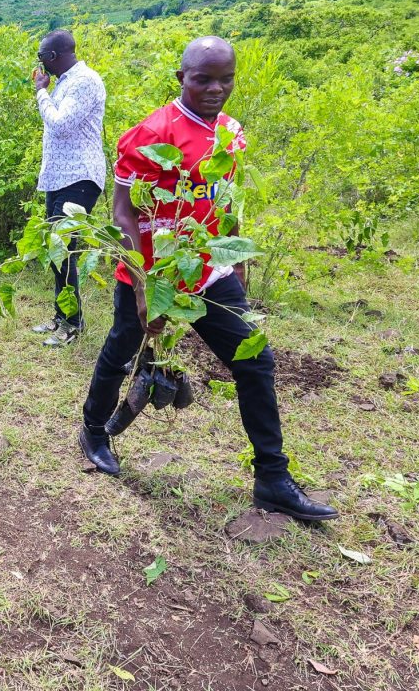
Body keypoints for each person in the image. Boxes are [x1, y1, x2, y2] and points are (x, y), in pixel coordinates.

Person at [78, 36, 338, 523]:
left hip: (207, 267)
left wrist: (234, 256)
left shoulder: (231, 133)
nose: (215, 88)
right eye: (203, 78)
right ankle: (94, 430)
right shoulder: (149, 134)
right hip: (153, 270)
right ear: (181, 78)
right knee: (120, 351)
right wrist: (140, 284)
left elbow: (225, 197)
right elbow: (122, 213)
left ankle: (272, 478)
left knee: (255, 360)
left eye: (226, 79)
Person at [30, 29, 107, 347]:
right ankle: (62, 318)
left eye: (42, 56)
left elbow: (60, 124)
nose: (41, 63)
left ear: (54, 56)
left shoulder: (84, 80)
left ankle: (72, 325)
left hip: (79, 177)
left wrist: (40, 92)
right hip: (61, 177)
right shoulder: (65, 82)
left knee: (64, 252)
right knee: (56, 251)